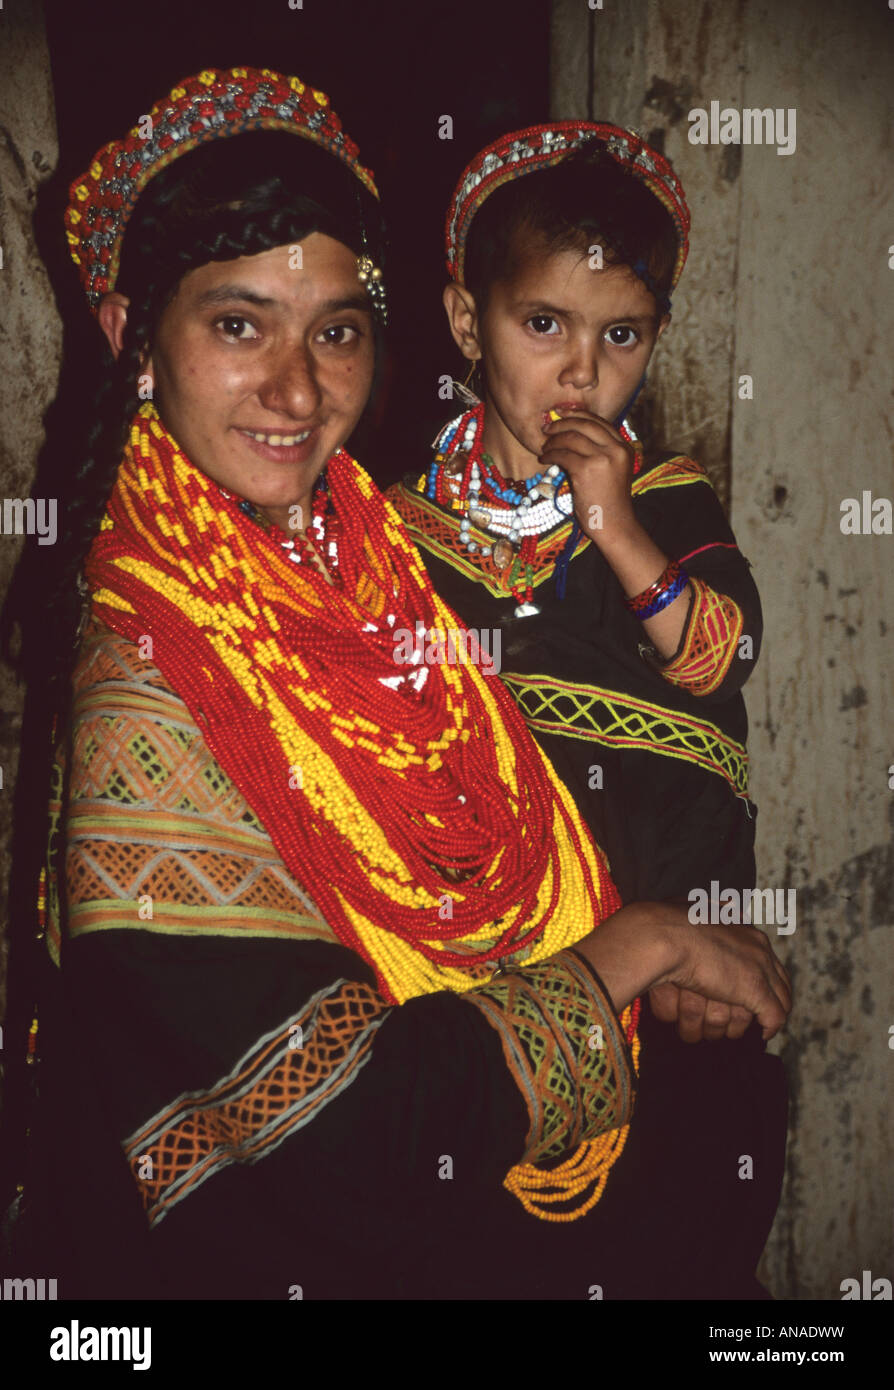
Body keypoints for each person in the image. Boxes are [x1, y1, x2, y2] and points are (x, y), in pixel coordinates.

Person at [3, 73, 790, 1301]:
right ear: (128, 334)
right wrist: (638, 949)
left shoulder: (356, 565)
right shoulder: (152, 681)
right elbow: (352, 1145)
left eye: (334, 329)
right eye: (237, 322)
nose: (298, 388)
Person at [386, 123, 789, 1293]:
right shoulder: (396, 537)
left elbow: (723, 659)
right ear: (468, 323)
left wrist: (615, 526)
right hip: (503, 1007)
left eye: (620, 336)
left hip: (688, 1011)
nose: (580, 372)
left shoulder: (666, 499)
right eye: (542, 325)